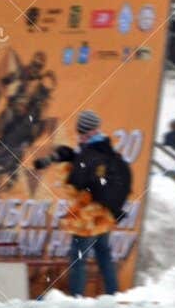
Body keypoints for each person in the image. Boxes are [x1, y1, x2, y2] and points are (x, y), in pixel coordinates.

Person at [37, 110, 133, 297]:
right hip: (104, 214)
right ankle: (113, 295)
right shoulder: (105, 150)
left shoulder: (89, 153)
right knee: (103, 255)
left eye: (82, 132)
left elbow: (75, 186)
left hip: (87, 217)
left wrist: (66, 167)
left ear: (87, 131)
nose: (80, 135)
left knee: (78, 257)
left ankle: (76, 298)